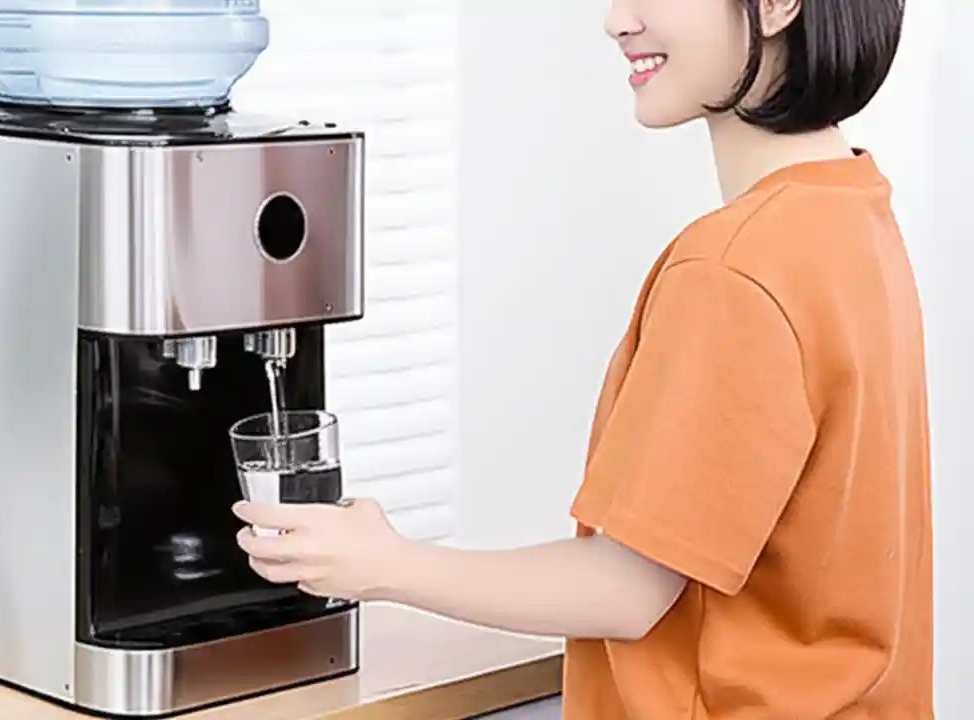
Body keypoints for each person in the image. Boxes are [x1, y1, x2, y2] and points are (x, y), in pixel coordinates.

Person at [233, 0, 932, 716]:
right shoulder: (854, 213)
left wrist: (383, 563)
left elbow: (627, 591)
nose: (618, 20)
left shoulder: (735, 268)